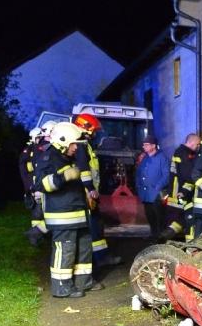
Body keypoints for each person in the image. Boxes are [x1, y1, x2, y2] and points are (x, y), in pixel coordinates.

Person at [33, 122, 101, 298]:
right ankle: (61, 287)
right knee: (65, 250)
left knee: (84, 247)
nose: (75, 148)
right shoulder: (48, 157)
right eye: (73, 144)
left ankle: (83, 281)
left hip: (78, 212)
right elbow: (40, 184)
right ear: (63, 141)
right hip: (62, 215)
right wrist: (63, 177)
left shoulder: (66, 157)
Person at [73, 113, 123, 268]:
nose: (95, 133)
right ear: (86, 128)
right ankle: (98, 259)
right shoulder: (80, 146)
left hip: (89, 193)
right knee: (93, 226)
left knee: (97, 225)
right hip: (86, 194)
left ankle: (101, 257)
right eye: (94, 130)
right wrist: (89, 189)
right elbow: (84, 169)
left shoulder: (84, 145)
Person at [159, 133, 200, 241]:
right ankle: (188, 245)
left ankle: (166, 237)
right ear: (191, 142)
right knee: (186, 218)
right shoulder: (184, 154)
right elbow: (188, 175)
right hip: (181, 195)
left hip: (177, 195)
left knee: (181, 219)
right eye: (197, 144)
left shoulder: (179, 152)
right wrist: (185, 191)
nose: (198, 147)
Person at [134, 135, 170, 239]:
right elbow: (139, 173)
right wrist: (138, 185)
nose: (143, 146)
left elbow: (166, 175)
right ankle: (153, 235)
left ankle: (160, 238)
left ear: (153, 146)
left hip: (156, 194)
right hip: (146, 194)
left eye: (146, 144)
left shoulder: (162, 158)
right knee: (150, 216)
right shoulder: (145, 158)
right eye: (143, 144)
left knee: (159, 217)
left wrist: (157, 187)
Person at [20, 126, 47, 246]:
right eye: (39, 137)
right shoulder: (30, 150)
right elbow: (27, 169)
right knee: (37, 211)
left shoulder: (34, 149)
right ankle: (35, 235)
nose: (41, 139)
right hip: (33, 185)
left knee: (39, 212)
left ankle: (36, 234)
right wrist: (30, 187)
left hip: (34, 184)